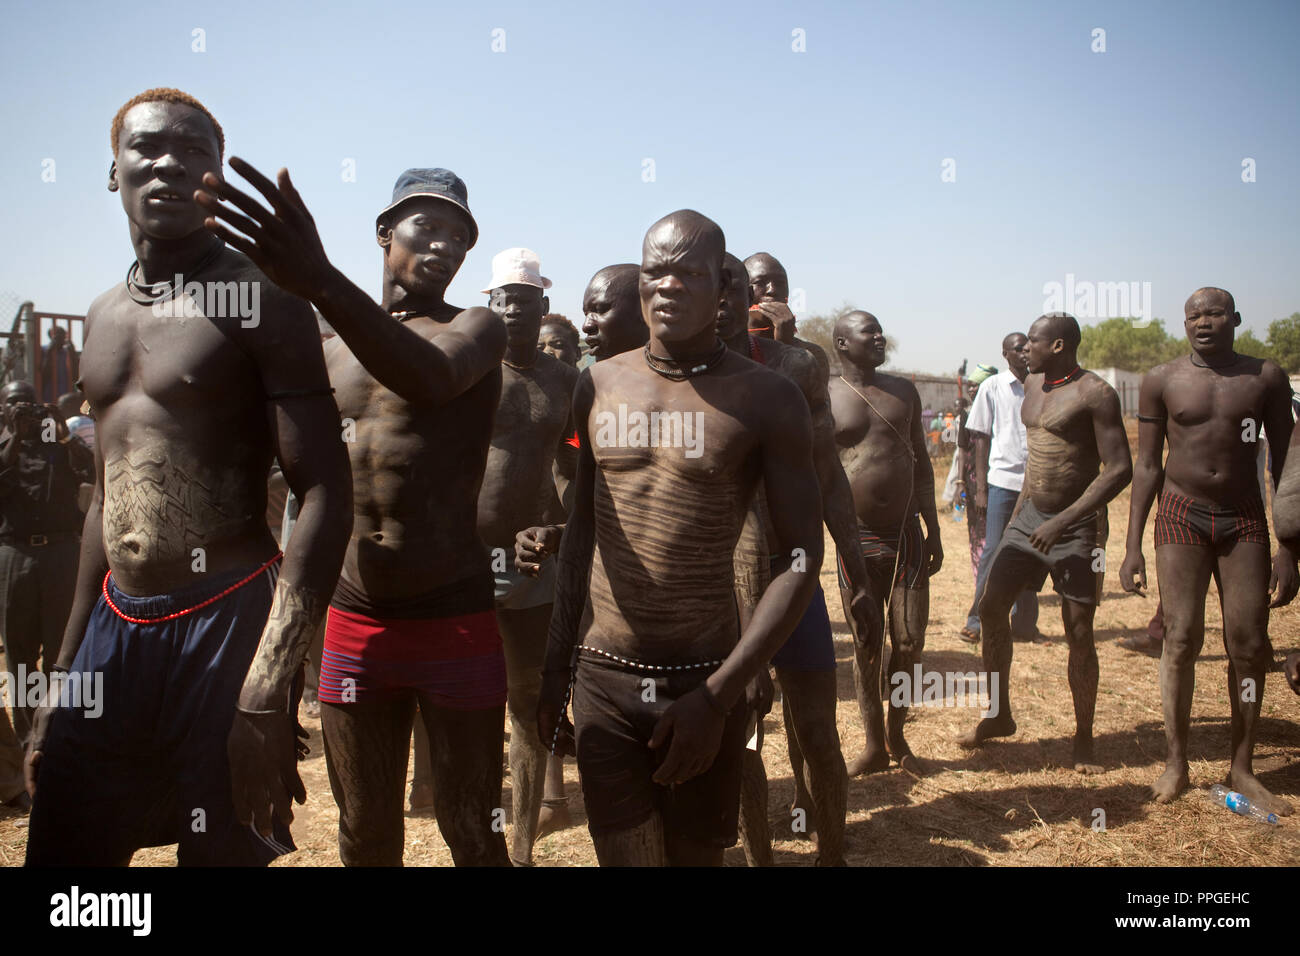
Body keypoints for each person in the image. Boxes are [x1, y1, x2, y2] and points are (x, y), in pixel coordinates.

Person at [24, 88, 352, 866]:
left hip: (226, 619)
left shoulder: (263, 298)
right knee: (67, 856)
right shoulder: (103, 316)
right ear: (114, 173)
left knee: (221, 849)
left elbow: (325, 492)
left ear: (217, 177)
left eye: (194, 152)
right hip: (117, 622)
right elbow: (106, 499)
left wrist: (269, 681)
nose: (169, 164)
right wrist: (64, 678)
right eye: (147, 149)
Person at [201, 162, 513, 865]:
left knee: (473, 831)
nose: (442, 246)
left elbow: (428, 382)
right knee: (364, 834)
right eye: (425, 226)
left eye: (458, 237)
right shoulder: (322, 348)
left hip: (453, 616)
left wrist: (320, 280)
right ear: (384, 232)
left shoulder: (476, 329)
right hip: (354, 617)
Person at [538, 211, 823, 866]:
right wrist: (557, 667)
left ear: (723, 288)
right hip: (606, 677)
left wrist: (722, 694)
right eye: (654, 271)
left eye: (687, 271)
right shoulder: (599, 383)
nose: (667, 286)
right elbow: (582, 528)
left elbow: (801, 558)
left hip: (704, 678)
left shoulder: (766, 398)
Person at [1120, 288, 1295, 814]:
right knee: (1181, 638)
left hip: (1244, 520)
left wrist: (1289, 544)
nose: (1202, 321)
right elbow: (1148, 465)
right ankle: (1177, 761)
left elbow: (1286, 463)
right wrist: (1131, 547)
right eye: (1193, 314)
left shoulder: (1265, 377)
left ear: (1235, 318)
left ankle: (1242, 766)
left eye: (1214, 312)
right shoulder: (1162, 380)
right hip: (1181, 515)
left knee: (1247, 641)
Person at [717, 253, 868, 865]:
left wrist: (855, 569)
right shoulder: (682, 375)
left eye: (742, 288)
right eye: (723, 284)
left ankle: (832, 851)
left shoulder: (799, 366)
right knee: (743, 737)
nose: (734, 299)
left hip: (793, 573)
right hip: (719, 587)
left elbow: (828, 473)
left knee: (818, 732)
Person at [958, 313, 1131, 774]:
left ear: (1057, 346)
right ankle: (998, 715)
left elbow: (1118, 469)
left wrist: (1065, 521)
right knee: (993, 608)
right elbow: (1037, 458)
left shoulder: (1095, 393)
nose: (1024, 348)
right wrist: (1019, 519)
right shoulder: (1034, 385)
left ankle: (1084, 739)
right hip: (1029, 516)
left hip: (1077, 525)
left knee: (1078, 630)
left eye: (1032, 341)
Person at [515, 262, 646, 835]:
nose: (590, 324)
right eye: (585, 311)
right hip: (585, 584)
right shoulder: (591, 389)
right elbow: (582, 472)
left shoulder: (716, 392)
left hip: (686, 620)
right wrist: (565, 533)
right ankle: (545, 810)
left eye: (601, 311)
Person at [475, 247, 577, 865]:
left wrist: (558, 528)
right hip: (461, 560)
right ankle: (479, 831)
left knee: (528, 698)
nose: (514, 308)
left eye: (524, 298)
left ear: (543, 304)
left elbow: (583, 468)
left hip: (533, 563)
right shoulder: (465, 368)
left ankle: (520, 847)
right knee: (463, 701)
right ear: (490, 304)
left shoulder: (567, 381)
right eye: (503, 298)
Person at [829, 312, 942, 774]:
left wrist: (933, 526)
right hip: (855, 540)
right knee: (866, 643)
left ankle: (898, 734)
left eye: (880, 331)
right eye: (867, 332)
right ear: (841, 343)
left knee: (911, 642)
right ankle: (874, 745)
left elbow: (922, 462)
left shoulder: (904, 391)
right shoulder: (825, 395)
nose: (879, 337)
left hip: (906, 535)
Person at [959, 333, 1040, 644]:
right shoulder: (992, 387)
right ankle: (976, 620)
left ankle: (1025, 626)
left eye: (1028, 347)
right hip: (1003, 482)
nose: (1026, 352)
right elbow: (980, 438)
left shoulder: (1041, 386)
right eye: (1019, 348)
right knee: (994, 550)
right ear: (1006, 354)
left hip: (1036, 485)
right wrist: (980, 489)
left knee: (1032, 551)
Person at [743, 252, 830, 381]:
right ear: (743, 290)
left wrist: (785, 346)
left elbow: (810, 400)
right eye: (760, 282)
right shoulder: (729, 347)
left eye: (780, 283)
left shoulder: (811, 353)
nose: (772, 290)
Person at [956, 365, 997, 591]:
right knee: (977, 534)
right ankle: (981, 585)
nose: (971, 389)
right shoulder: (966, 415)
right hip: (973, 485)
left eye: (976, 384)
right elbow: (962, 450)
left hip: (999, 482)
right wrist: (960, 484)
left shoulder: (1001, 412)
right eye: (970, 384)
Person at [39, 327, 78, 405]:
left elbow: (76, 375)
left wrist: (73, 353)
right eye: (58, 337)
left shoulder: (67, 351)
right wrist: (49, 352)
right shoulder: (44, 350)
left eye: (63, 336)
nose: (62, 339)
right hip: (49, 391)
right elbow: (43, 373)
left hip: (66, 390)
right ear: (51, 337)